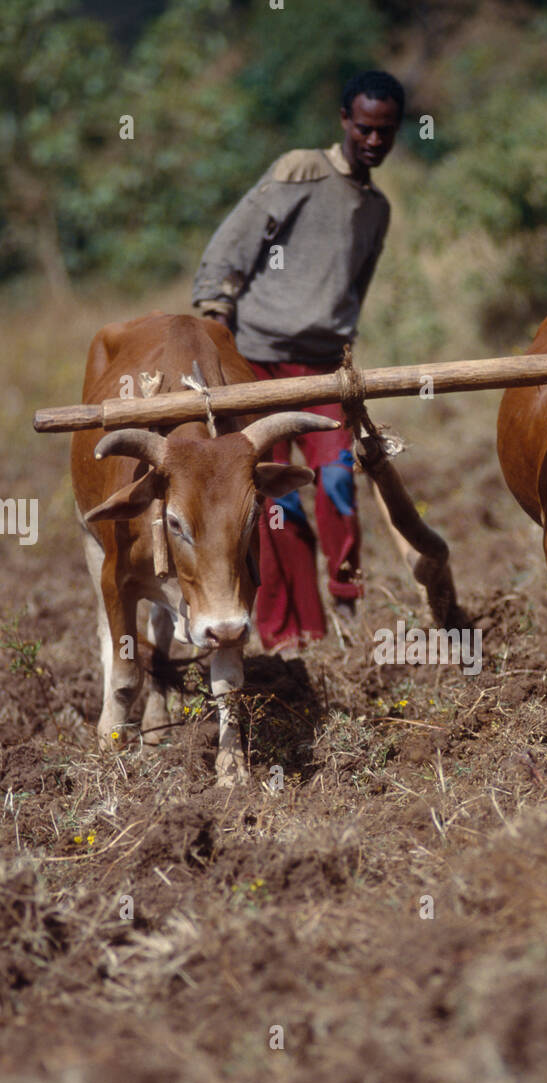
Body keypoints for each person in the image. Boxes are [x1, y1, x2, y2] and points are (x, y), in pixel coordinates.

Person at [191, 70, 403, 655]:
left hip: (322, 370)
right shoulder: (299, 171)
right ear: (344, 121)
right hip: (256, 362)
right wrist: (215, 318)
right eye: (364, 128)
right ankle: (288, 634)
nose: (374, 142)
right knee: (272, 500)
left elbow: (353, 286)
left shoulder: (376, 209)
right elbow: (234, 244)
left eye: (386, 132)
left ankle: (345, 603)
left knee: (336, 478)